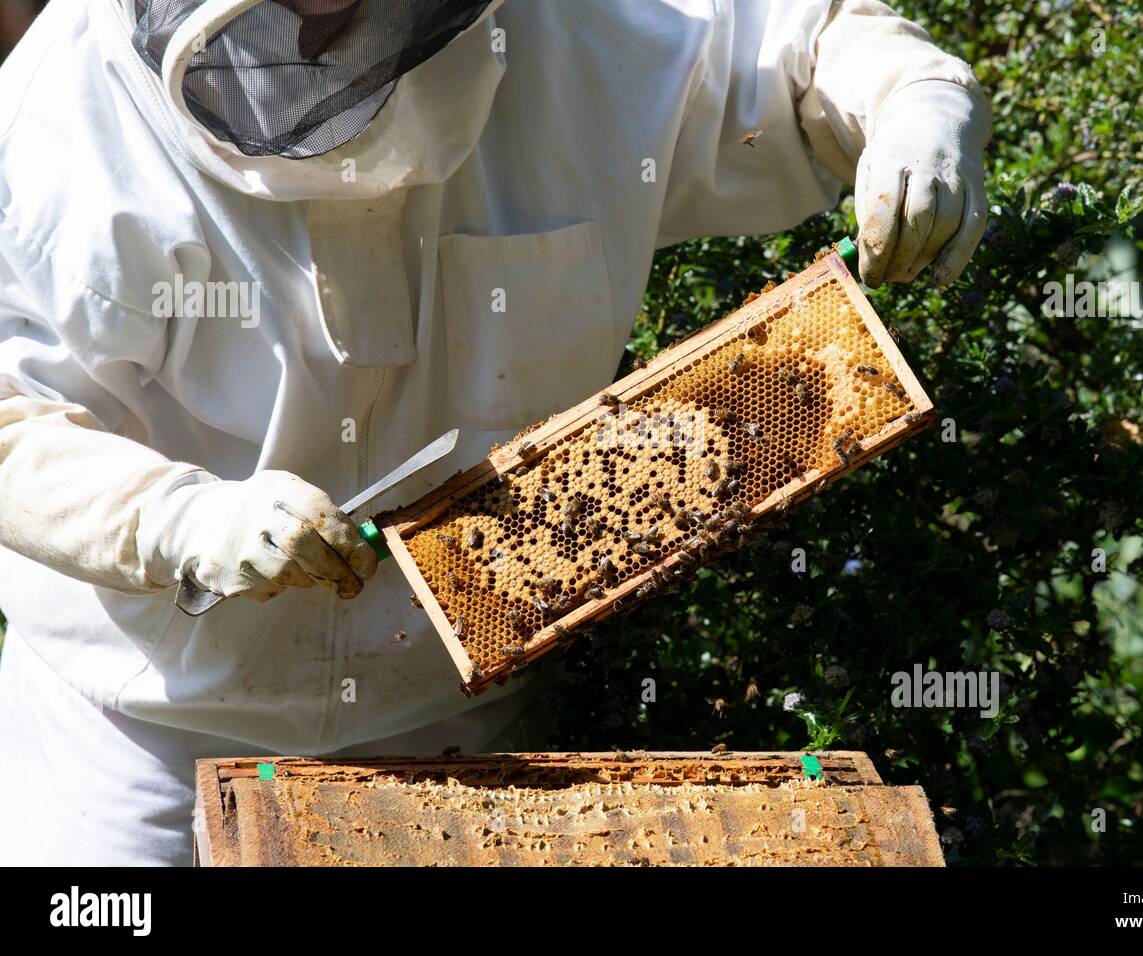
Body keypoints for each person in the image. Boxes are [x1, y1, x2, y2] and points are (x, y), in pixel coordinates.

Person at [0, 0, 991, 865]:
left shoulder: (578, 31)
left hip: (467, 721)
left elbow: (809, 46)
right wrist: (178, 519)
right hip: (144, 740)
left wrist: (913, 106)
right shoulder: (58, 120)